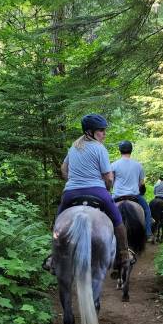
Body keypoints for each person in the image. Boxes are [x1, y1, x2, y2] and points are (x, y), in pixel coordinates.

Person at [56, 114, 129, 266]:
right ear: (90, 132)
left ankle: (54, 256)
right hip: (97, 191)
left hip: (71, 192)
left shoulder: (74, 147)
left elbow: (63, 169)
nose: (104, 133)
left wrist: (73, 181)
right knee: (118, 220)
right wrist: (107, 189)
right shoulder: (99, 148)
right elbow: (109, 178)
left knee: (58, 222)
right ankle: (124, 254)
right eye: (101, 130)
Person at [111, 141, 154, 240]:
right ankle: (148, 233)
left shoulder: (113, 165)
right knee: (147, 210)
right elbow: (141, 183)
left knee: (103, 211)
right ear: (131, 150)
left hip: (117, 196)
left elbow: (111, 181)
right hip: (134, 196)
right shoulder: (138, 165)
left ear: (120, 150)